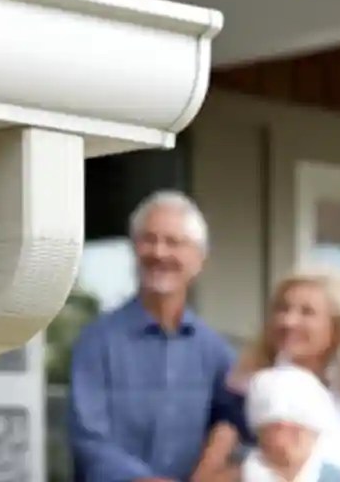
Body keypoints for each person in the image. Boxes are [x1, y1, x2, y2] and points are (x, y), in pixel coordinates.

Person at [67, 190, 248, 482]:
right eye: (149, 239)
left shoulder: (214, 351)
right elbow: (90, 442)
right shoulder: (97, 341)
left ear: (199, 259)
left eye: (174, 242)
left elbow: (243, 423)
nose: (159, 252)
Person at [192, 267, 340, 482]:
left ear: (338, 327)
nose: (288, 321)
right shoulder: (246, 392)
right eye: (282, 309)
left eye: (307, 312)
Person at [240, 365, 340, 482]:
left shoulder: (338, 478)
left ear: (315, 434)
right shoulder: (232, 475)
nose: (281, 440)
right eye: (275, 428)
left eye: (295, 432)